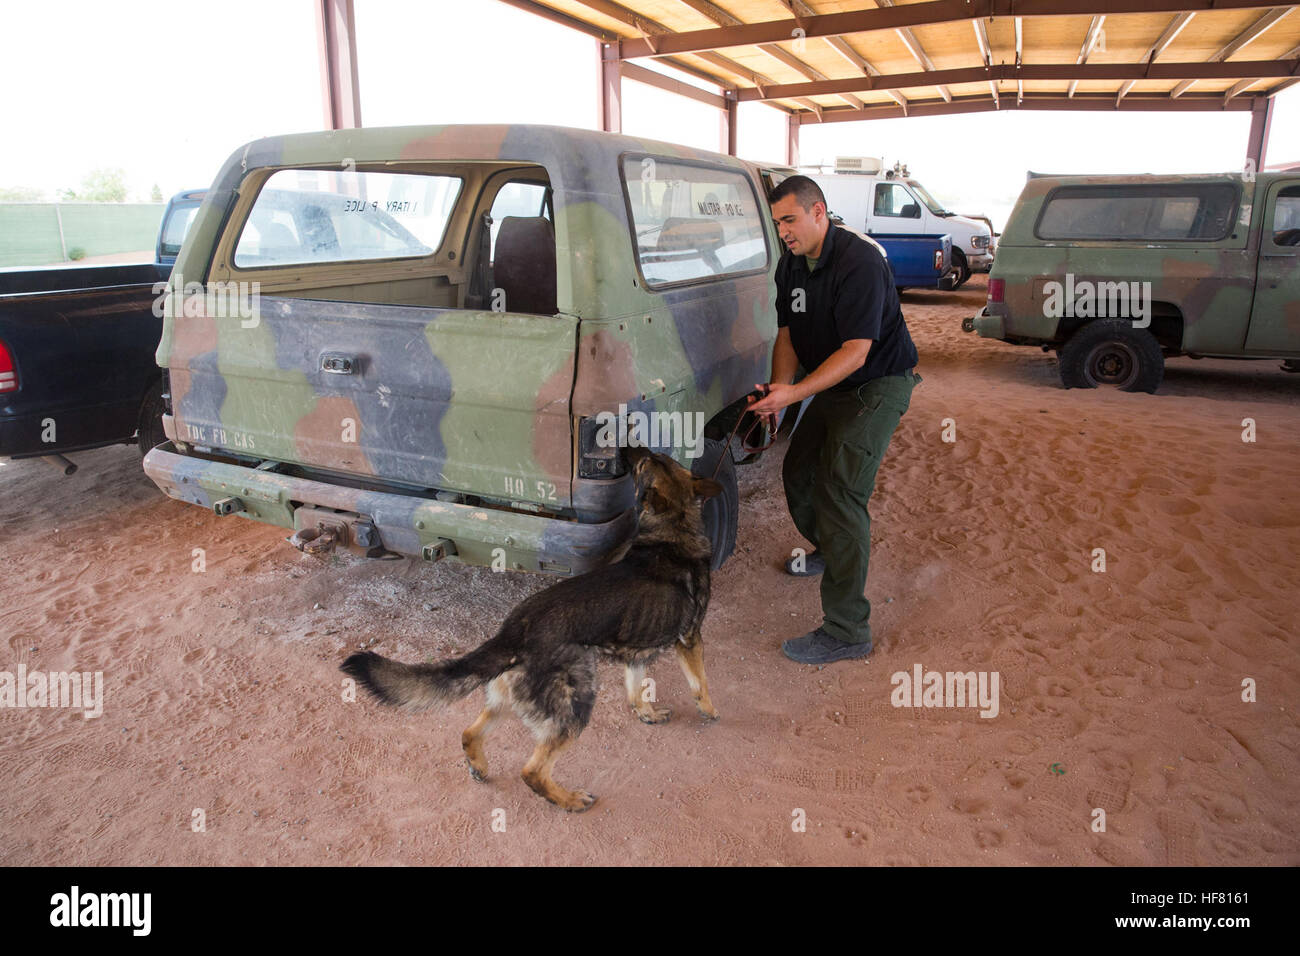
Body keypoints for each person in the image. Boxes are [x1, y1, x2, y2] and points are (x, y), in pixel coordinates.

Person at [748, 175, 920, 665]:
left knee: (840, 493)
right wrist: (782, 392)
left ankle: (847, 630)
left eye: (790, 219)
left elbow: (857, 352)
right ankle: (830, 547)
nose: (782, 230)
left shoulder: (858, 261)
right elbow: (788, 334)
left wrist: (798, 391)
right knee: (798, 471)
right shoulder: (791, 263)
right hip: (832, 382)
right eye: (776, 221)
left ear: (818, 212)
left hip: (877, 384)